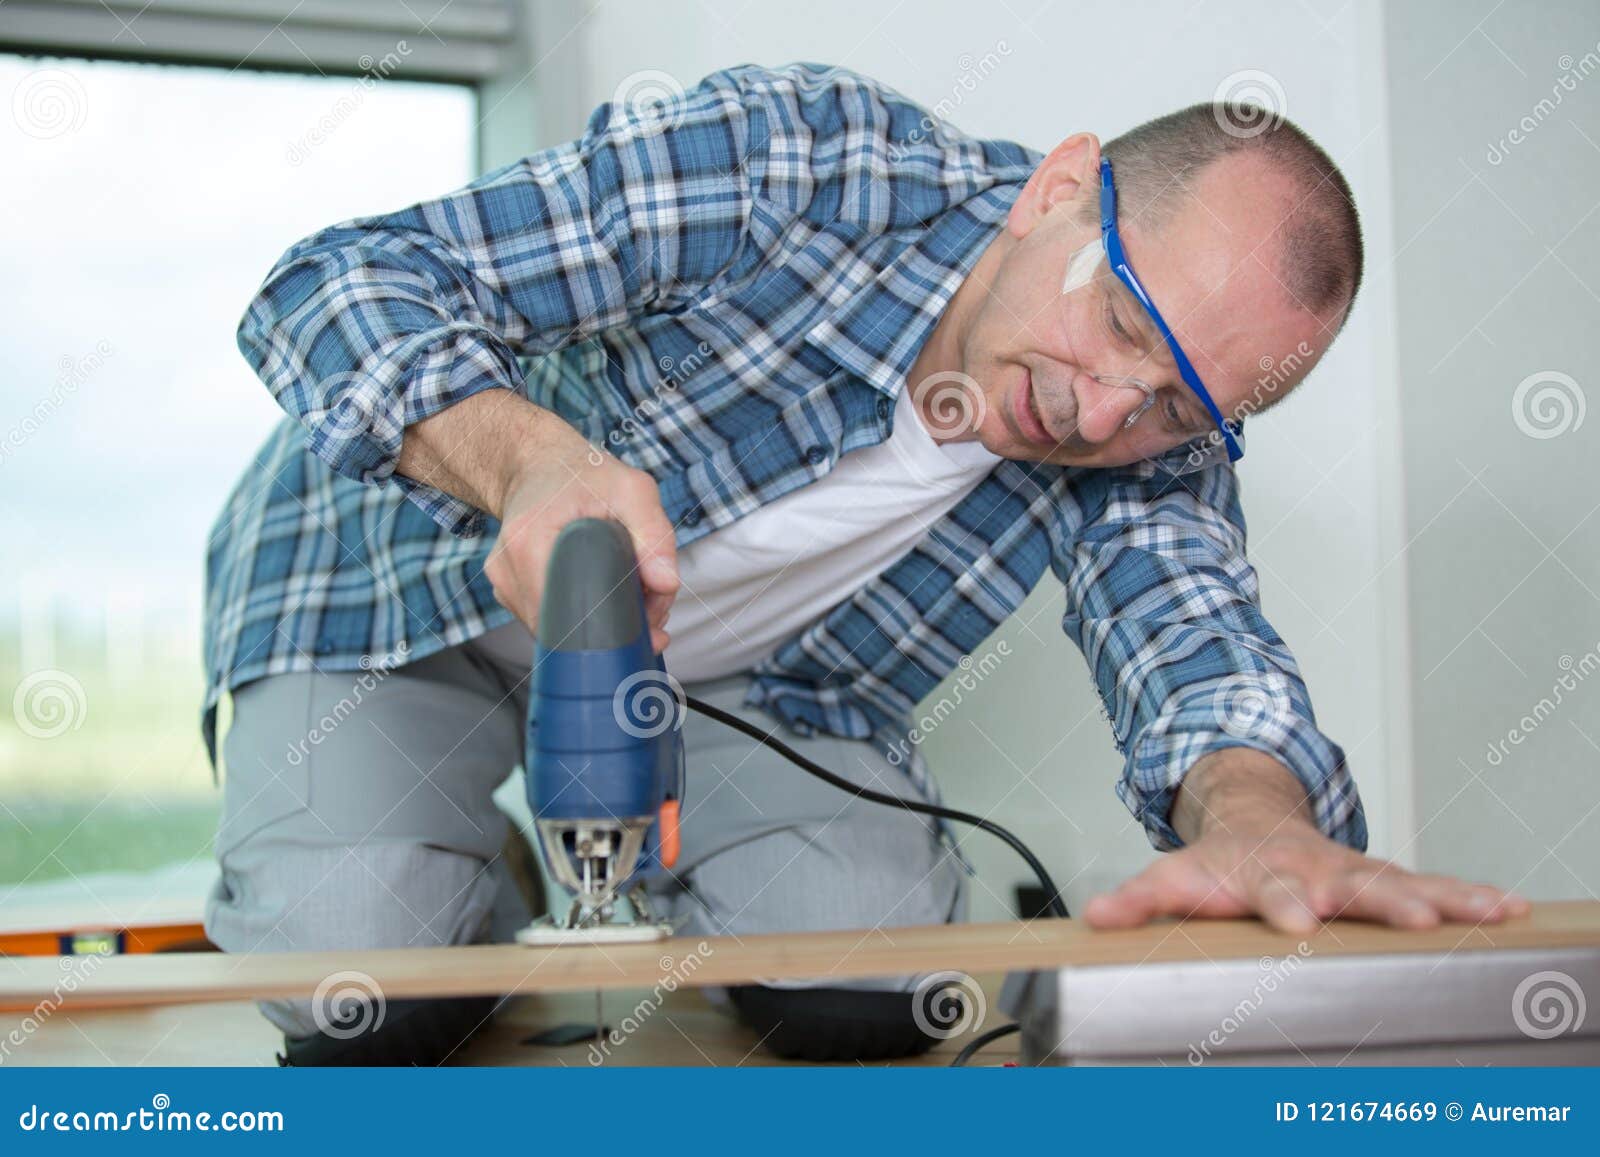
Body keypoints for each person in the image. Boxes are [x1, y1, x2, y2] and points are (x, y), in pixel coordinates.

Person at [200, 62, 1529, 1066]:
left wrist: (1258, 828)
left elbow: (1194, 644)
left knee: (872, 980)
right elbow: (333, 282)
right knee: (362, 983)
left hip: (739, 690)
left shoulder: (1145, 437)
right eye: (1119, 318)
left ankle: (618, 855)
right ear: (1059, 188)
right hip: (391, 591)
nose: (1107, 414)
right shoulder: (801, 163)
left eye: (1181, 402)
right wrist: (529, 466)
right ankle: (450, 855)